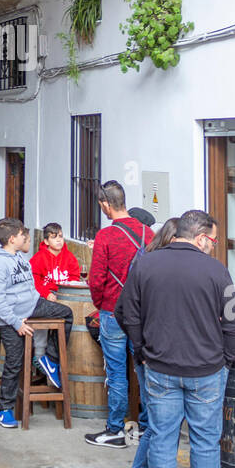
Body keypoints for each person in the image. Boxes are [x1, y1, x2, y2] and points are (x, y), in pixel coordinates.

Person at [121, 209, 235, 468]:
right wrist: (226, 361)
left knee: (162, 440)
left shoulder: (146, 264)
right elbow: (234, 323)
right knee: (205, 443)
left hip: (159, 369)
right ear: (201, 237)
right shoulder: (218, 272)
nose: (213, 247)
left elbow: (128, 313)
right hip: (206, 371)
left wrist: (141, 351)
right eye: (213, 241)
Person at [115, 215, 186, 468]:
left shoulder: (171, 266)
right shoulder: (146, 265)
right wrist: (140, 347)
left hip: (174, 355)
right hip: (151, 357)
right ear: (172, 240)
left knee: (164, 424)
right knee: (159, 425)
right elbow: (124, 310)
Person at [0, 218, 74, 429]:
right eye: (22, 234)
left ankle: (50, 361)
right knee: (15, 361)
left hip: (33, 307)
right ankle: (5, 409)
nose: (26, 237)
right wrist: (17, 322)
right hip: (11, 319)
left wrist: (39, 301)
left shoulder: (20, 258)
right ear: (12, 238)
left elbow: (30, 286)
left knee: (66, 314)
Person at [86, 181, 154, 447]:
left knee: (116, 373)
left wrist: (102, 303)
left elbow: (96, 279)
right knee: (144, 372)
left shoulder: (105, 236)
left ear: (105, 204)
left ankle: (115, 429)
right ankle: (146, 428)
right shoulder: (148, 234)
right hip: (143, 314)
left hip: (113, 312)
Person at [29, 222, 81, 299]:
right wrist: (46, 294)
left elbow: (75, 277)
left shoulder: (70, 257)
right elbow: (34, 282)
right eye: (53, 237)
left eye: (60, 236)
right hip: (45, 294)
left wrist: (68, 291)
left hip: (65, 292)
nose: (58, 240)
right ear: (46, 241)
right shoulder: (38, 258)